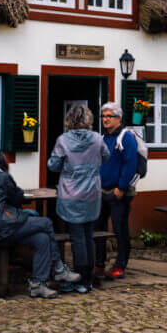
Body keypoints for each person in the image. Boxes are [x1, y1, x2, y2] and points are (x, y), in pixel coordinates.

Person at [0, 153, 80, 298]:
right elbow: (18, 197)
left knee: (42, 239)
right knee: (46, 223)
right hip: (6, 226)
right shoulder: (3, 177)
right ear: (4, 166)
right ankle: (59, 269)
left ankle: (38, 285)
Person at [47, 103, 109, 294]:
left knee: (77, 238)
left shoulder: (63, 140)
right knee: (88, 234)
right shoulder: (98, 139)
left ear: (69, 120)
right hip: (92, 193)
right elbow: (106, 156)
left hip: (71, 194)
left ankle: (80, 279)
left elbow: (53, 165)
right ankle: (87, 279)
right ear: (88, 118)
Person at [95, 102, 138, 280]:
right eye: (103, 116)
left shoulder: (126, 137)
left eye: (109, 116)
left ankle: (120, 265)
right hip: (101, 192)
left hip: (118, 192)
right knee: (98, 228)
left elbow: (130, 163)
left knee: (120, 229)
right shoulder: (102, 138)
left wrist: (121, 187)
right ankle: (98, 264)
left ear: (118, 119)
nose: (105, 119)